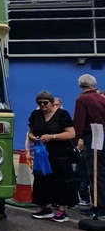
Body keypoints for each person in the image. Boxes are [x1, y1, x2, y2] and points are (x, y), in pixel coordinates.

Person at [26, 90, 78, 222]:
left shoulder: (62, 115)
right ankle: (45, 207)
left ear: (52, 102)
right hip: (42, 154)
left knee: (61, 180)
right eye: (40, 103)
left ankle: (61, 210)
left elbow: (71, 134)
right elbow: (30, 133)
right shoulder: (36, 114)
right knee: (42, 180)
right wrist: (35, 138)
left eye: (45, 103)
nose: (43, 105)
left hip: (60, 153)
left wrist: (53, 137)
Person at [72, 74, 105, 216]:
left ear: (80, 85)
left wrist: (73, 142)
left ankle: (99, 206)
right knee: (101, 171)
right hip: (101, 135)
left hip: (93, 136)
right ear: (94, 84)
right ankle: (99, 204)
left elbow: (79, 123)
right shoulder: (101, 99)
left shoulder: (82, 99)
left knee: (95, 172)